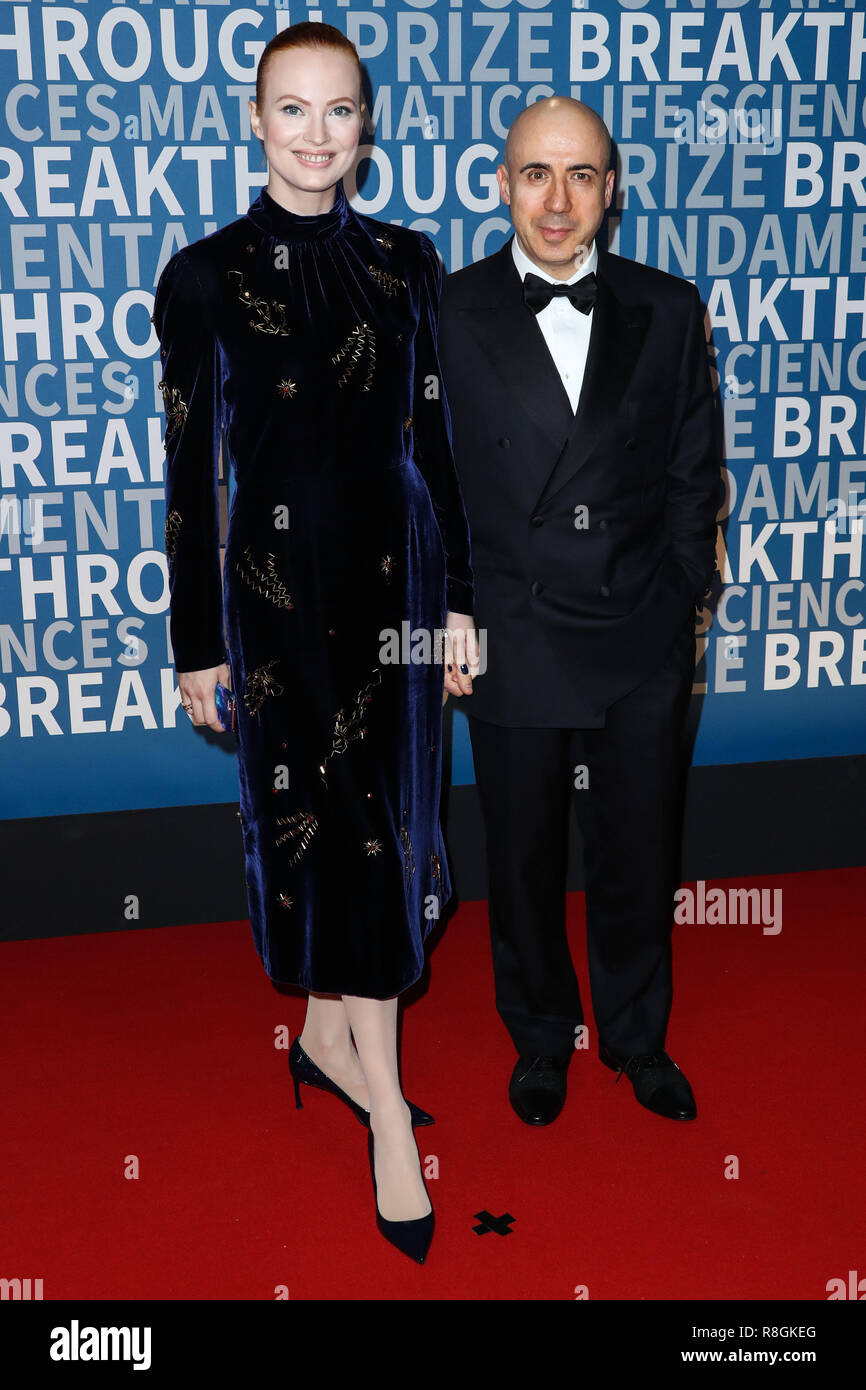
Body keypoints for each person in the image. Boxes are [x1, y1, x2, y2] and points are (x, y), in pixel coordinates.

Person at [152, 22, 477, 1263]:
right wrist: (196, 640)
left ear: (366, 123)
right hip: (275, 596)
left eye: (339, 111)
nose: (316, 135)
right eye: (291, 110)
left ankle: (352, 1059)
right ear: (253, 118)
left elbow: (434, 442)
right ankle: (373, 1091)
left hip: (400, 584)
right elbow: (192, 478)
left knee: (388, 830)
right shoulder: (201, 273)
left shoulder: (406, 262)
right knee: (314, 821)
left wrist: (460, 605)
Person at [438, 97, 723, 1126]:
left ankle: (637, 1037)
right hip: (510, 632)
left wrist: (682, 590)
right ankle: (539, 1039)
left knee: (638, 844)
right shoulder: (449, 310)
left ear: (610, 189)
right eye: (533, 174)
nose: (555, 202)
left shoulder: (666, 305)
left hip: (637, 628)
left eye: (580, 176)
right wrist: (447, 614)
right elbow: (421, 483)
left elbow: (695, 471)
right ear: (499, 183)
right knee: (519, 853)